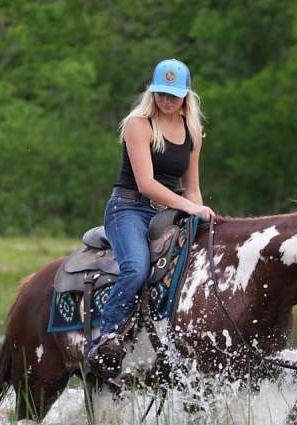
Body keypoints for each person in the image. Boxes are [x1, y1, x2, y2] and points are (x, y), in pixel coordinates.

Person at [87, 58, 215, 369]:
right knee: (136, 267)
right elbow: (146, 184)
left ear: (186, 94)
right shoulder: (138, 124)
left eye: (173, 94)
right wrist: (189, 206)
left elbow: (192, 187)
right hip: (128, 209)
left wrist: (200, 221)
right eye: (161, 93)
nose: (167, 100)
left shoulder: (192, 133)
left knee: (198, 269)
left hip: (169, 215)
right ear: (152, 92)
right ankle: (106, 336)